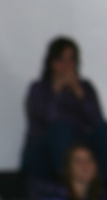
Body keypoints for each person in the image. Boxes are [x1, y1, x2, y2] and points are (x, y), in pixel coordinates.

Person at [23, 38, 107, 183]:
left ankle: (102, 190)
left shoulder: (85, 88)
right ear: (51, 62)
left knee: (102, 129)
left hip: (80, 147)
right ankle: (67, 188)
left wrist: (80, 94)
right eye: (60, 60)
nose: (66, 66)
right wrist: (56, 92)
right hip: (43, 150)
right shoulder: (38, 88)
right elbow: (48, 120)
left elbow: (98, 122)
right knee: (61, 129)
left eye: (70, 60)